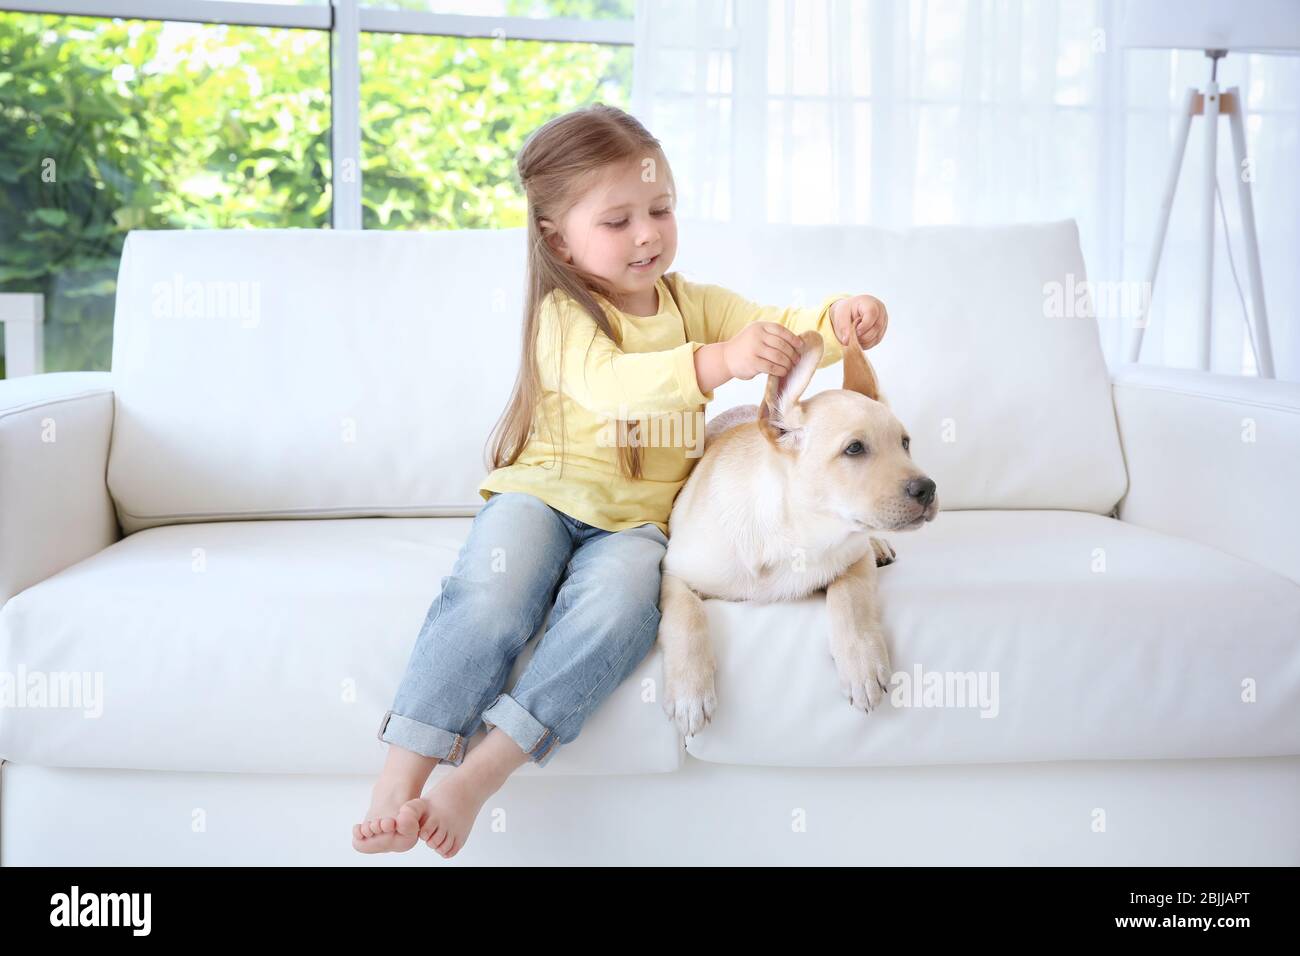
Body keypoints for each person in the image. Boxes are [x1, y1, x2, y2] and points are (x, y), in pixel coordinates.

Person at [352, 103, 889, 857]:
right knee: (491, 597)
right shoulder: (561, 316)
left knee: (618, 616)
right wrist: (718, 364)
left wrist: (843, 319)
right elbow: (614, 387)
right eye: (618, 220)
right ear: (557, 240)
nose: (647, 233)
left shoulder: (693, 303)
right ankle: (399, 773)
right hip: (541, 496)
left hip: (639, 523)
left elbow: (784, 327)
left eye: (661, 209)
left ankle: (479, 774)